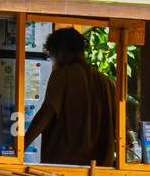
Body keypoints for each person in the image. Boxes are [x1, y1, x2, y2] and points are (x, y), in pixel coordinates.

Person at [25, 27, 117, 166]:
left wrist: (20, 147)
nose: (54, 61)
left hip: (65, 167)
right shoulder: (108, 83)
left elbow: (46, 113)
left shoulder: (63, 75)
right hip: (100, 169)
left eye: (53, 56)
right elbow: (119, 129)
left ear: (61, 53)